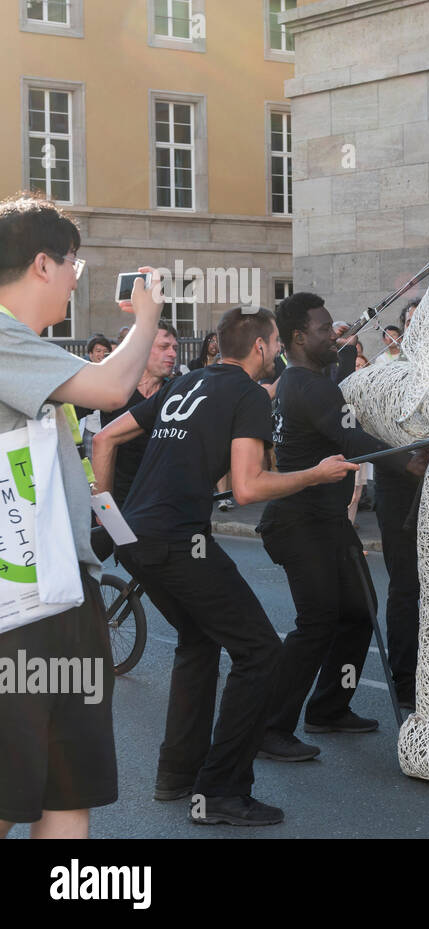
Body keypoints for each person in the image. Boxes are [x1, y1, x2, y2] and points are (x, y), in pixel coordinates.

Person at [91, 306, 357, 826]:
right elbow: (249, 486)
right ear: (260, 347)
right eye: (276, 342)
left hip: (135, 537)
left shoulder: (186, 384)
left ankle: (177, 775)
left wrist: (110, 515)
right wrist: (315, 474)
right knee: (260, 652)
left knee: (199, 641)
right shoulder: (246, 394)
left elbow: (104, 438)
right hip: (176, 540)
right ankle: (220, 792)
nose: (278, 351)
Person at [0, 197, 164, 840]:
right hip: (21, 602)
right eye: (74, 263)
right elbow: (111, 386)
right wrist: (148, 318)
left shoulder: (32, 348)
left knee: (70, 786)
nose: (77, 276)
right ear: (43, 263)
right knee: (14, 790)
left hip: (66, 591)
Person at [257, 293, 424, 762]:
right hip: (297, 522)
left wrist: (344, 354)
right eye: (324, 328)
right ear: (297, 338)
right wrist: (411, 460)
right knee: (317, 623)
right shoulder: (308, 387)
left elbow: (338, 390)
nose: (333, 333)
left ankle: (329, 706)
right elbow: (353, 437)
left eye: (334, 326)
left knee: (359, 611)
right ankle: (270, 727)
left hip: (327, 521)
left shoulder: (306, 378)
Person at [96, 321, 178, 506]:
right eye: (164, 347)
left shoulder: (178, 394)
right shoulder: (115, 391)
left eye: (174, 347)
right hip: (123, 503)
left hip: (165, 504)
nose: (172, 353)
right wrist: (104, 507)